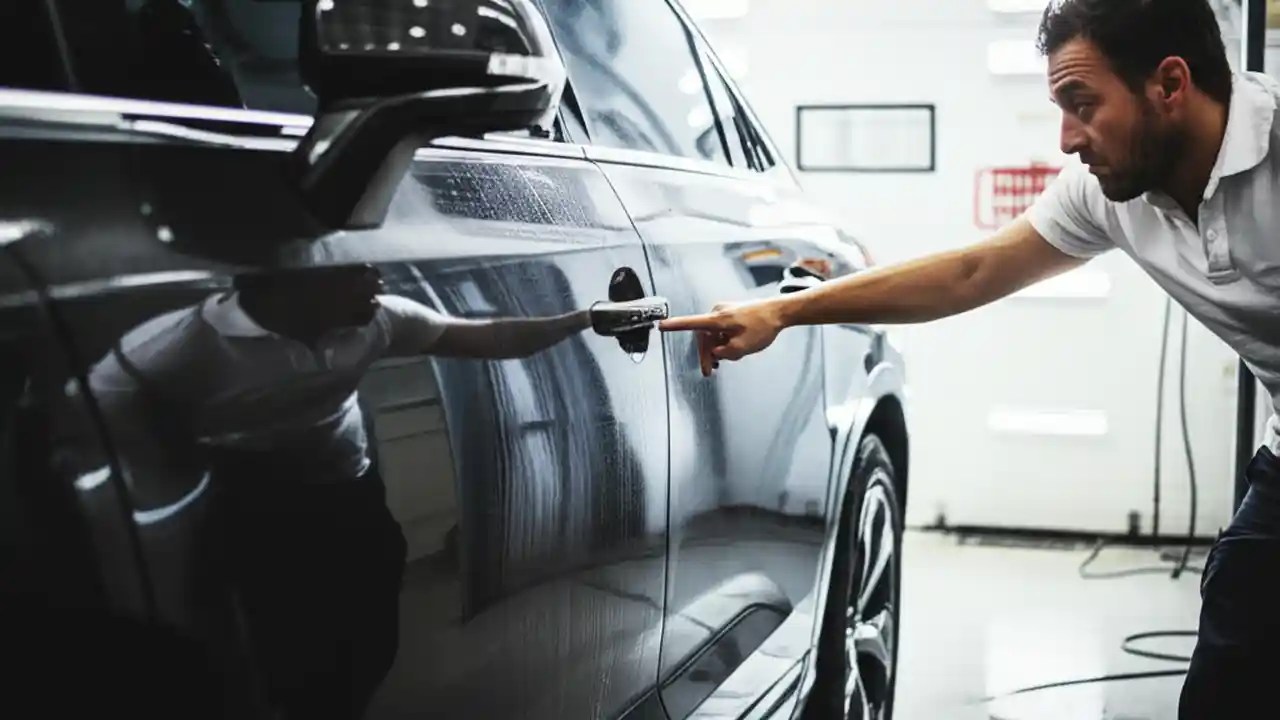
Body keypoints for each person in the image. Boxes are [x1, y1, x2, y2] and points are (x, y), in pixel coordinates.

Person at [661, 1, 1280, 717]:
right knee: (1231, 662)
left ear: (1169, 85)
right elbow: (971, 273)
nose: (1067, 138)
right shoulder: (1108, 196)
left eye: (1083, 104)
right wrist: (786, 309)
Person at [89, 263, 591, 719]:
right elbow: (96, 418)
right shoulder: (178, 347)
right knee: (282, 653)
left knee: (369, 636)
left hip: (350, 495)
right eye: (356, 270)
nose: (377, 277)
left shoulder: (378, 319)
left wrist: (583, 319)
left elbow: (490, 338)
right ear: (290, 283)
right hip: (255, 509)